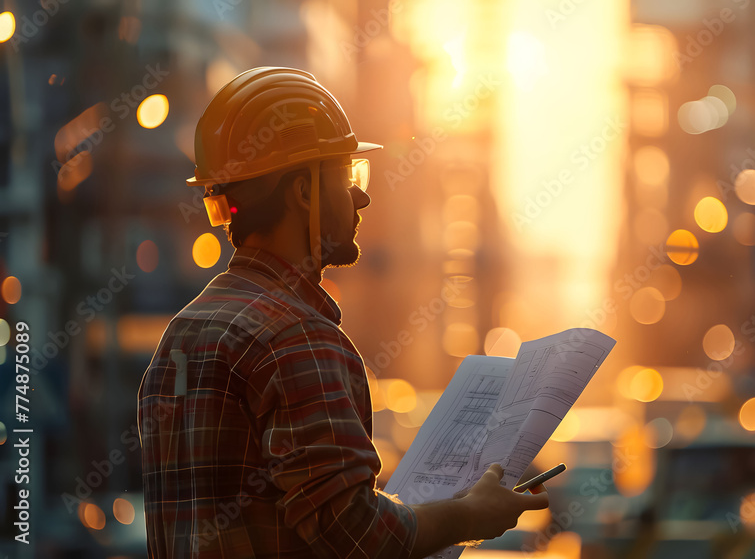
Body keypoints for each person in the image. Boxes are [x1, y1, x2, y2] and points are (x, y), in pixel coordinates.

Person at [137, 66, 548, 558]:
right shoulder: (295, 337)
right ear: (303, 191)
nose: (362, 195)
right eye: (347, 175)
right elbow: (358, 535)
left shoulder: (183, 332)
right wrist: (470, 516)